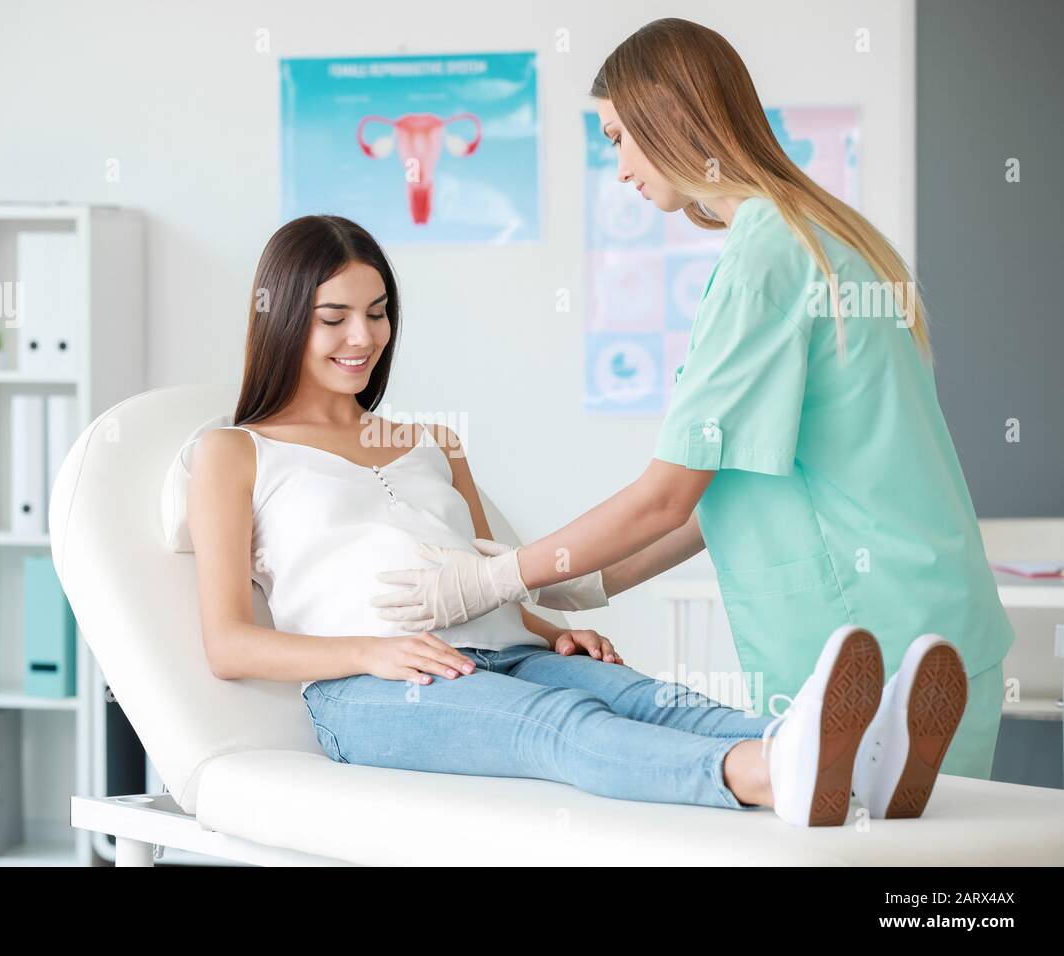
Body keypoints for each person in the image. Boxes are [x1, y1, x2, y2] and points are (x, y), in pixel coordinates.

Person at [372, 18, 1007, 797]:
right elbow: (726, 493)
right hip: (932, 618)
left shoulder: (765, 255)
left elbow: (666, 494)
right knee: (933, 860)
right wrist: (583, 585)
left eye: (616, 137)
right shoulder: (822, 233)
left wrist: (494, 579)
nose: (619, 169)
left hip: (872, 646)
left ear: (668, 116)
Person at [188, 214, 961, 827]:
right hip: (368, 691)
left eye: (378, 313)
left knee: (658, 700)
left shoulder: (434, 442)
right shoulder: (234, 452)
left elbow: (478, 577)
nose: (364, 338)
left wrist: (544, 628)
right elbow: (228, 644)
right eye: (335, 318)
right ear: (285, 317)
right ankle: (769, 775)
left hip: (502, 653)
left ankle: (861, 758)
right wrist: (374, 651)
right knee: (562, 722)